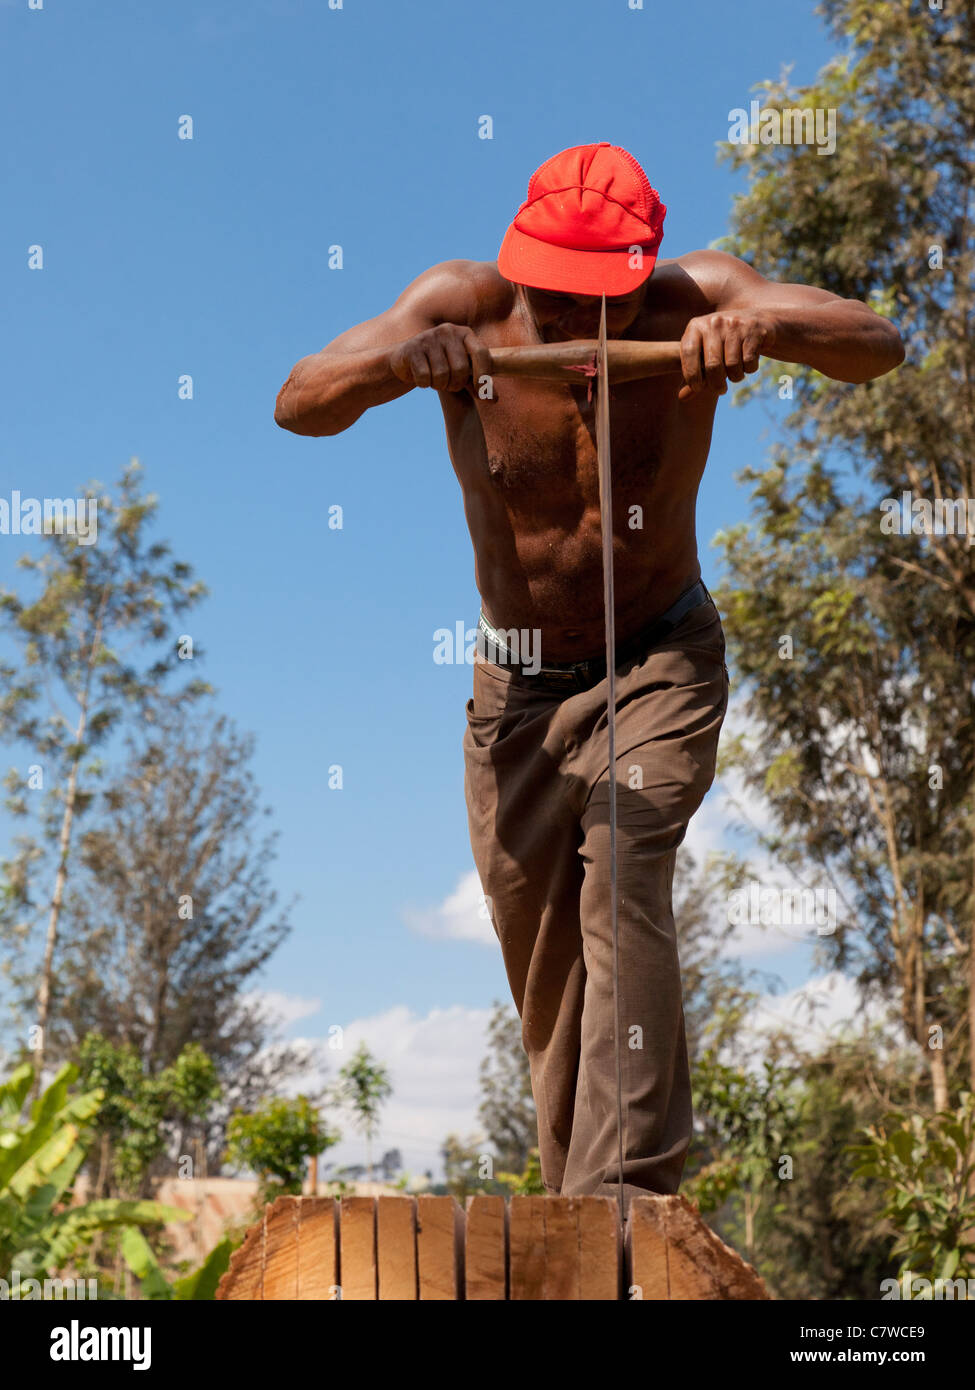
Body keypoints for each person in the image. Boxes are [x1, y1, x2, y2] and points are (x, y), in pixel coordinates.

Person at [274, 142, 904, 1204]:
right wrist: (399, 366)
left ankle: (633, 1197)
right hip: (516, 686)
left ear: (642, 272)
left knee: (623, 869)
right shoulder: (461, 306)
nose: (568, 317)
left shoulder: (696, 295)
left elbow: (876, 343)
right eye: (551, 293)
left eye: (593, 297)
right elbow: (300, 399)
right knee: (549, 966)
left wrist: (762, 328)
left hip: (658, 656)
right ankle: (580, 1219)